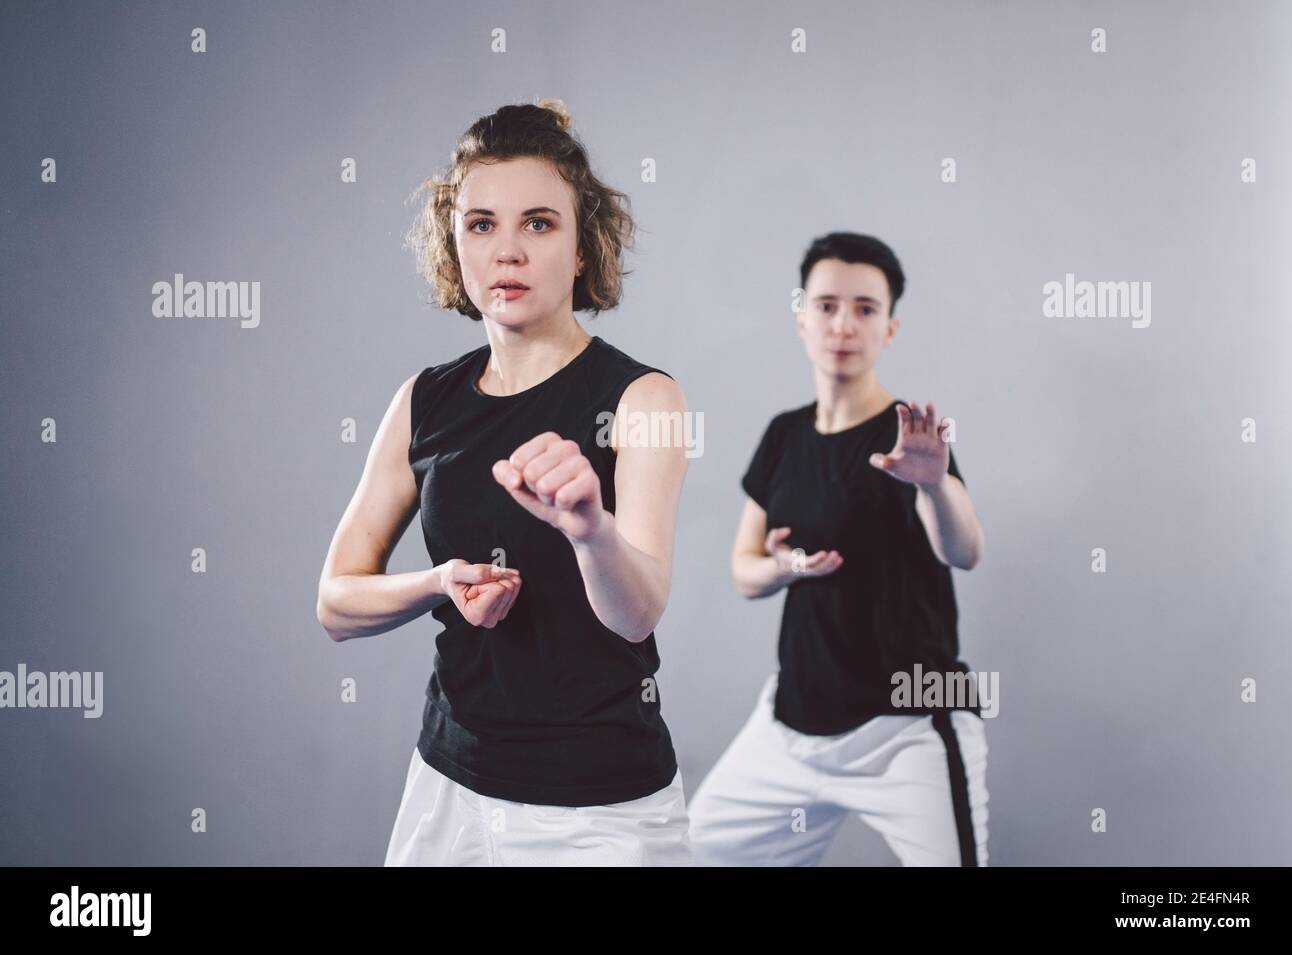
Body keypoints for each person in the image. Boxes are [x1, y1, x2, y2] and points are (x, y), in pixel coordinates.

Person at [316, 99, 693, 866]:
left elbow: (638, 612)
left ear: (583, 247)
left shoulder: (646, 399)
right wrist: (439, 582)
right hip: (447, 787)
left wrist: (588, 526)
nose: (508, 252)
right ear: (454, 246)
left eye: (539, 223)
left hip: (599, 811)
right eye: (482, 224)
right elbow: (335, 604)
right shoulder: (423, 400)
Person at [687, 232, 990, 866]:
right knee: (691, 856)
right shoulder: (784, 434)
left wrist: (935, 485)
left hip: (907, 730)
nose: (843, 324)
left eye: (865, 308)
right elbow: (745, 572)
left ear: (890, 328)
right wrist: (786, 568)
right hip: (792, 727)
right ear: (802, 319)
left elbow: (963, 552)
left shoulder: (911, 435)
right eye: (826, 305)